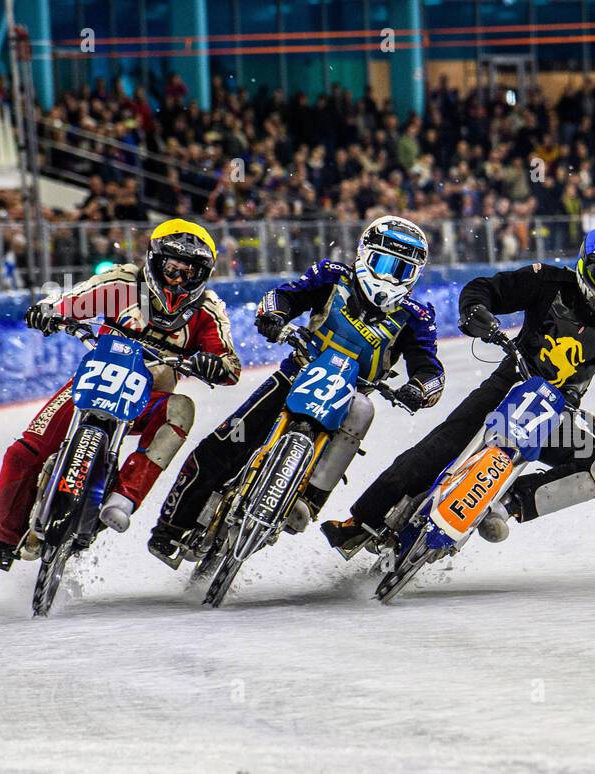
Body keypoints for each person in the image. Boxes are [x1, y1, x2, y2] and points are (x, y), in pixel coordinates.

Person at [321, 227, 595, 553]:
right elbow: (486, 288)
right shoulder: (548, 281)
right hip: (508, 387)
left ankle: (508, 504)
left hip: (555, 417)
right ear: (585, 267)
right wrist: (476, 312)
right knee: (439, 448)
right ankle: (362, 520)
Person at [148, 215, 444, 567]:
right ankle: (170, 528)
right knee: (219, 448)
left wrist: (418, 388)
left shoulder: (415, 317)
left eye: (401, 270)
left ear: (415, 275)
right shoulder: (332, 277)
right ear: (365, 254)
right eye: (382, 263)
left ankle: (312, 499)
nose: (387, 277)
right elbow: (284, 296)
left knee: (364, 409)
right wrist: (275, 317)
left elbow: (430, 368)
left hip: (351, 395)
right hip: (296, 375)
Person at [0, 219, 240, 571]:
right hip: (94, 382)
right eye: (171, 268)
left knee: (182, 409)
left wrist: (214, 364)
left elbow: (230, 363)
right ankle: (3, 540)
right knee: (23, 453)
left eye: (188, 272)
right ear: (154, 260)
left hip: (148, 398)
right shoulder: (121, 281)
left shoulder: (208, 309)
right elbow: (69, 300)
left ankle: (124, 498)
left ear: (203, 274)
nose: (177, 279)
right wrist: (49, 310)